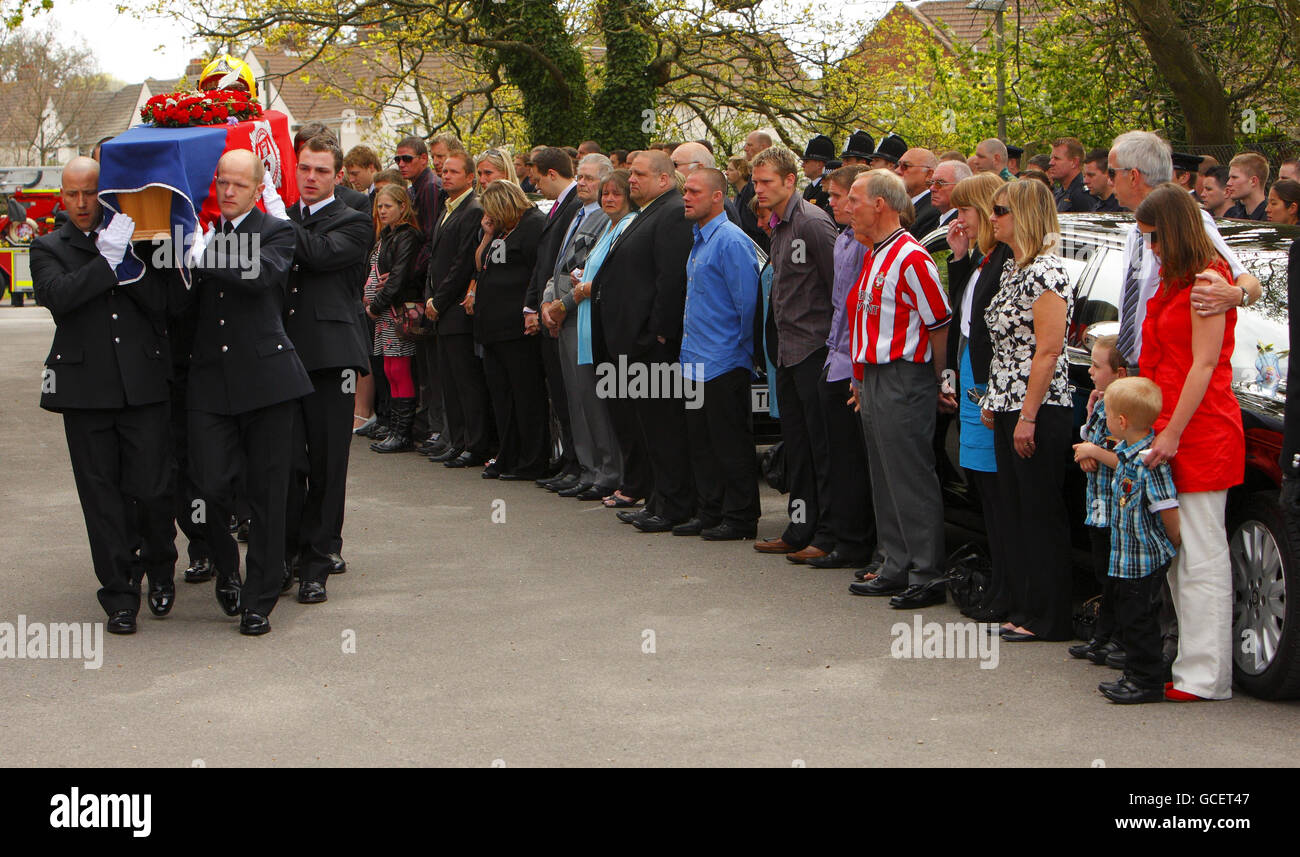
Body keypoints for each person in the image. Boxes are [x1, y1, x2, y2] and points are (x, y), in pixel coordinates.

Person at [32, 158, 171, 634]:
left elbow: (163, 304)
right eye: (72, 194)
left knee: (152, 488)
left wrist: (132, 258)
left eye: (90, 193)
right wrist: (105, 262)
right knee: (101, 496)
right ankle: (119, 594)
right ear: (61, 196)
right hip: (86, 390)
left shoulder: (136, 235)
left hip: (143, 383)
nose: (82, 203)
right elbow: (60, 297)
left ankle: (161, 564)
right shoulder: (48, 246)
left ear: (103, 192)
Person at [184, 149, 314, 635]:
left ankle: (259, 597)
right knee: (212, 485)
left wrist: (206, 255)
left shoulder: (276, 231)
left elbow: (261, 276)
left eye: (239, 184)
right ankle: (226, 569)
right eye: (223, 182)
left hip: (267, 381)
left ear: (259, 188)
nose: (229, 191)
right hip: (210, 382)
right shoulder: (199, 234)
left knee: (267, 492)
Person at [1133, 183, 1245, 701]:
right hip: (1172, 425)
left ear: (1174, 232)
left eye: (1154, 239)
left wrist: (1173, 431)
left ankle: (1205, 676)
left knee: (1200, 553)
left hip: (1199, 430)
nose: (1150, 249)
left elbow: (1203, 365)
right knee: (1181, 554)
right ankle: (1191, 667)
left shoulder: (1205, 281)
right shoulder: (1178, 279)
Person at [844, 169, 952, 608]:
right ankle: (894, 563)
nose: (847, 207)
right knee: (884, 474)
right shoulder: (874, 253)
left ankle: (926, 572)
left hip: (903, 377)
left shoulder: (911, 257)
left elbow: (939, 321)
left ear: (880, 205)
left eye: (854, 199)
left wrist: (941, 378)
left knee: (909, 475)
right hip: (874, 377)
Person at [278, 135, 373, 602]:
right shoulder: (284, 217)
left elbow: (319, 255)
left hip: (331, 355)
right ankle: (289, 552)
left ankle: (319, 557)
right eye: (304, 169)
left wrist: (274, 218)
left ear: (338, 175)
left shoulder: (354, 220)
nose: (310, 177)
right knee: (286, 461)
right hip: (282, 354)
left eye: (320, 170)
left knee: (327, 461)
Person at [979, 178, 1074, 641]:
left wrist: (1029, 415)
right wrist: (995, 402)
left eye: (1000, 211)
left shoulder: (1046, 272)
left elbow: (1048, 350)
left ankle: (1050, 615)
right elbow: (1005, 346)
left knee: (1039, 510)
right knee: (1015, 510)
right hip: (1009, 402)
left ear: (1025, 216)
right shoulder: (1017, 268)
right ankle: (1025, 607)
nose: (992, 218)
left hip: (1039, 407)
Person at [593, 150, 697, 531]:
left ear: (665, 179)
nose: (630, 180)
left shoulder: (670, 212)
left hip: (653, 347)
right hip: (636, 344)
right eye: (631, 174)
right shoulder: (648, 212)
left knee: (665, 430)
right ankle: (657, 501)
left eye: (638, 174)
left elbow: (670, 280)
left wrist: (656, 332)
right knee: (650, 429)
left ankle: (673, 506)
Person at [749, 146, 838, 563]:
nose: (759, 188)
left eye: (767, 181)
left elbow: (839, 291)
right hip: (787, 353)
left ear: (790, 180)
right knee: (797, 447)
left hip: (815, 353)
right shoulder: (778, 224)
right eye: (755, 181)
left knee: (822, 449)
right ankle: (799, 527)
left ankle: (826, 533)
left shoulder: (813, 224)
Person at [1076, 377, 1181, 704]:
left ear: (1121, 422)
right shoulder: (1124, 455)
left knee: (1141, 620)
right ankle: (1133, 674)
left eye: (1107, 416)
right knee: (1128, 615)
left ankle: (1147, 680)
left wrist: (1173, 542)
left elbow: (1167, 508)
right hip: (1124, 558)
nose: (1104, 421)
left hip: (1144, 559)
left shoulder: (1149, 463)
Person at [943, 172, 1014, 620]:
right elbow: (962, 316)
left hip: (990, 389)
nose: (960, 219)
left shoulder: (1006, 259)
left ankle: (1008, 590)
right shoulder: (982, 259)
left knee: (1000, 496)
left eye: (966, 210)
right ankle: (1000, 587)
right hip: (972, 383)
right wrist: (959, 257)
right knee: (984, 493)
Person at [676, 168, 761, 539]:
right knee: (702, 443)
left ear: (716, 197)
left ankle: (741, 517)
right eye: (685, 191)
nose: (686, 197)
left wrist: (738, 353)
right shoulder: (698, 239)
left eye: (694, 191)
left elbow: (748, 305)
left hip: (724, 362)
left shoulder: (730, 241)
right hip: (693, 360)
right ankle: (709, 511)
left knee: (731, 444)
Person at [540, 154, 616, 499]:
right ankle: (586, 468)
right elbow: (559, 265)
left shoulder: (605, 218)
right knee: (574, 397)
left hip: (578, 315)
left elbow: (588, 272)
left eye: (589, 178)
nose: (582, 183)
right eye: (581, 177)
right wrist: (545, 301)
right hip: (561, 315)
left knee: (590, 399)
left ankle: (603, 471)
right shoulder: (576, 212)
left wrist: (560, 307)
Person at [813, 164, 878, 572]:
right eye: (835, 197)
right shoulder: (843, 239)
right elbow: (839, 307)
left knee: (854, 460)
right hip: (835, 356)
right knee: (836, 455)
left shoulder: (865, 245)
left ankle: (855, 540)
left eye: (842, 197)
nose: (835, 204)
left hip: (855, 364)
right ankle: (842, 534)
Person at [573, 170, 644, 509]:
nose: (609, 200)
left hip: (614, 330)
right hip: (594, 327)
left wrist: (590, 285)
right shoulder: (609, 226)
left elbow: (617, 276)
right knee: (612, 410)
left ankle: (630, 481)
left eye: (616, 194)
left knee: (625, 413)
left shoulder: (630, 224)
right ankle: (623, 478)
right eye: (605, 194)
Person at [475, 181, 550, 479]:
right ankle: (507, 455)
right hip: (492, 328)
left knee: (525, 395)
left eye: (492, 212)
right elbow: (481, 266)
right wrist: (488, 235)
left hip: (516, 329)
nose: (489, 217)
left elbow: (538, 271)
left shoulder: (532, 226)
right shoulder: (502, 230)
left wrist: (530, 310)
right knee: (502, 397)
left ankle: (532, 460)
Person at [424, 150, 493, 467]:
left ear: (470, 178)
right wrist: (430, 297)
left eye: (453, 171)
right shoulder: (447, 208)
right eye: (444, 171)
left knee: (466, 381)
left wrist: (439, 301)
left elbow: (463, 263)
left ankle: (474, 443)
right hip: (440, 308)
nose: (445, 175)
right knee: (449, 380)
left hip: (454, 310)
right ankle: (456, 439)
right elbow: (436, 260)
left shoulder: (472, 210)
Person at [524, 146, 583, 488]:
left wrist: (553, 305)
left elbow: (567, 264)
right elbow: (545, 260)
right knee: (560, 395)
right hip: (549, 308)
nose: (536, 187)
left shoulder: (574, 204)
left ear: (550, 173)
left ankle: (577, 461)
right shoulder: (561, 207)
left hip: (563, 312)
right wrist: (534, 305)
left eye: (536, 179)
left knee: (569, 394)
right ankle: (570, 459)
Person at [1068, 335, 1128, 664]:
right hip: (1098, 509)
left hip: (1117, 512)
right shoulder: (1102, 402)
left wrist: (1094, 453)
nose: (1089, 371)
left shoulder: (1125, 411)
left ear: (1120, 373)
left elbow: (1126, 458)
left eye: (1096, 365)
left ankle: (1120, 639)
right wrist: (1088, 446)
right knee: (1104, 576)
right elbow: (1089, 440)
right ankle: (1102, 636)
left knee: (1118, 580)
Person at [393, 135, 446, 450]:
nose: (401, 164)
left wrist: (408, 271)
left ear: (424, 159)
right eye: (397, 159)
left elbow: (427, 238)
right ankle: (427, 425)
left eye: (407, 158)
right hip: (418, 282)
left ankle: (433, 427)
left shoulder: (427, 187)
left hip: (425, 284)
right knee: (422, 364)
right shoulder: (415, 187)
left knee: (432, 366)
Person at [365, 184, 423, 453]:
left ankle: (403, 433)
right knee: (389, 369)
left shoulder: (407, 235)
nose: (383, 211)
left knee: (399, 368)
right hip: (385, 311)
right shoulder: (387, 235)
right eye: (379, 206)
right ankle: (395, 429)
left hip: (395, 310)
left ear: (403, 206)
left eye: (388, 206)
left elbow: (398, 277)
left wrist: (376, 306)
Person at [736, 130, 773, 250]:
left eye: (750, 145)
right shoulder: (750, 178)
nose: (745, 148)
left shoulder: (770, 177)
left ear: (763, 147)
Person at [896, 147, 939, 236]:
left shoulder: (932, 213)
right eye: (898, 165)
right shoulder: (896, 204)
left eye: (905, 166)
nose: (897, 171)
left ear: (929, 174)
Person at [1224, 152, 1269, 220]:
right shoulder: (1235, 215)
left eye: (1234, 177)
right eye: (1229, 178)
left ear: (1253, 181)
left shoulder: (1271, 217)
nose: (1228, 183)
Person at [928, 159, 971, 229]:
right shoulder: (934, 220)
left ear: (960, 186)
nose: (932, 188)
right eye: (932, 182)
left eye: (939, 183)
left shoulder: (960, 225)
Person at [800, 134, 835, 215]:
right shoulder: (809, 188)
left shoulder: (828, 188)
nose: (802, 165)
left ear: (819, 164)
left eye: (806, 161)